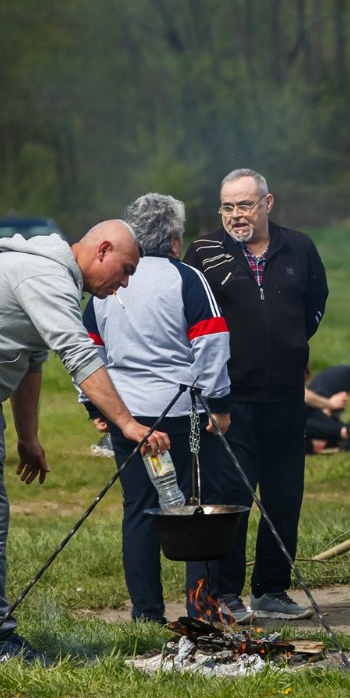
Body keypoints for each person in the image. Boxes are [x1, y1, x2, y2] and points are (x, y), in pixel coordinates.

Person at [0, 220, 167, 664]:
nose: (124, 283)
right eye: (125, 270)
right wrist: (127, 423)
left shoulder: (54, 276)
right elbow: (78, 353)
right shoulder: (45, 277)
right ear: (102, 250)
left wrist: (28, 436)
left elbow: (31, 359)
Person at [183, 168, 329, 623]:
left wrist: (288, 347)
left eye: (244, 205)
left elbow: (315, 306)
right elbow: (188, 315)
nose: (235, 215)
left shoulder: (299, 247)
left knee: (284, 498)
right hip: (230, 400)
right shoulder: (203, 253)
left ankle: (272, 589)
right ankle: (226, 592)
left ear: (268, 203)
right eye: (227, 206)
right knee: (230, 499)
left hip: (286, 397)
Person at [82, 194, 231, 624]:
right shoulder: (185, 278)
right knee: (195, 508)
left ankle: (145, 612)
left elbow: (87, 350)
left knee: (140, 509)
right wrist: (217, 403)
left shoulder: (105, 283)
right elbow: (211, 343)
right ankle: (200, 608)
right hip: (182, 413)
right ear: (176, 241)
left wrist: (94, 405)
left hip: (125, 414)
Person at [303, 365, 350, 453]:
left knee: (343, 372)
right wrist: (330, 404)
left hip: (308, 406)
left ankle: (329, 428)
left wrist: (326, 405)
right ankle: (346, 432)